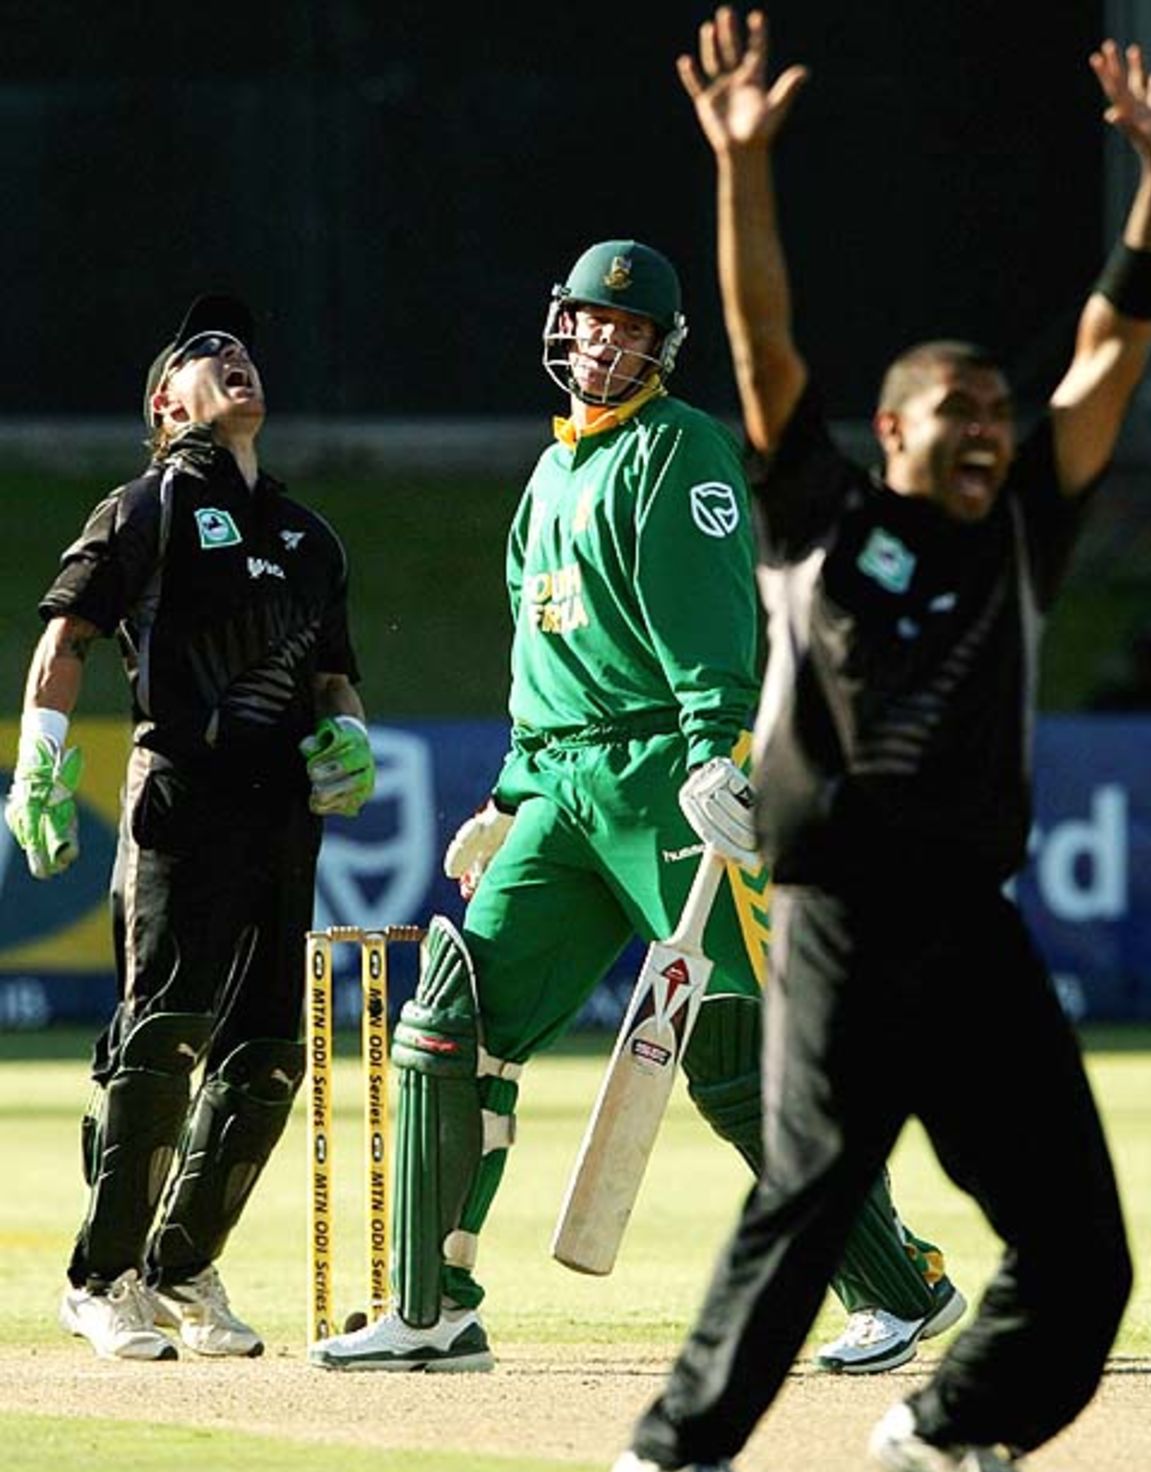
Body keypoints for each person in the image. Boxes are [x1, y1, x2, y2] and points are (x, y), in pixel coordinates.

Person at [599, 9, 1151, 1472]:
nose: (990, 433)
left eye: (1002, 415)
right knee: (807, 1197)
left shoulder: (1021, 528)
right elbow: (760, 339)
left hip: (968, 926)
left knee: (1083, 1252)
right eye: (961, 417)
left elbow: (1114, 346)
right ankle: (666, 1456)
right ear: (893, 430)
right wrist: (741, 171)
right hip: (842, 921)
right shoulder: (815, 515)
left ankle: (947, 1423)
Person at [309, 237, 963, 1374]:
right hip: (558, 790)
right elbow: (536, 650)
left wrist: (720, 753)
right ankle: (430, 1307)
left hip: (665, 780)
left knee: (731, 1053)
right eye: (592, 322)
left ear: (662, 347)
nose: (606, 343)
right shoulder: (550, 475)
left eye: (632, 330)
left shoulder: (683, 452)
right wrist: (509, 796)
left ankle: (898, 1287)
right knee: (445, 1023)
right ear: (561, 325)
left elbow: (713, 618)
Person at [4, 294, 375, 1361]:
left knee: (267, 1055)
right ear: (166, 402)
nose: (236, 361)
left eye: (245, 352)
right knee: (162, 1031)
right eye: (208, 357)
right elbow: (66, 637)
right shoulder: (148, 506)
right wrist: (40, 757)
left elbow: (336, 677)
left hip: (282, 817)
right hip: (181, 800)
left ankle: (180, 1269)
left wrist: (352, 739)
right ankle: (100, 1276)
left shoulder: (311, 536)